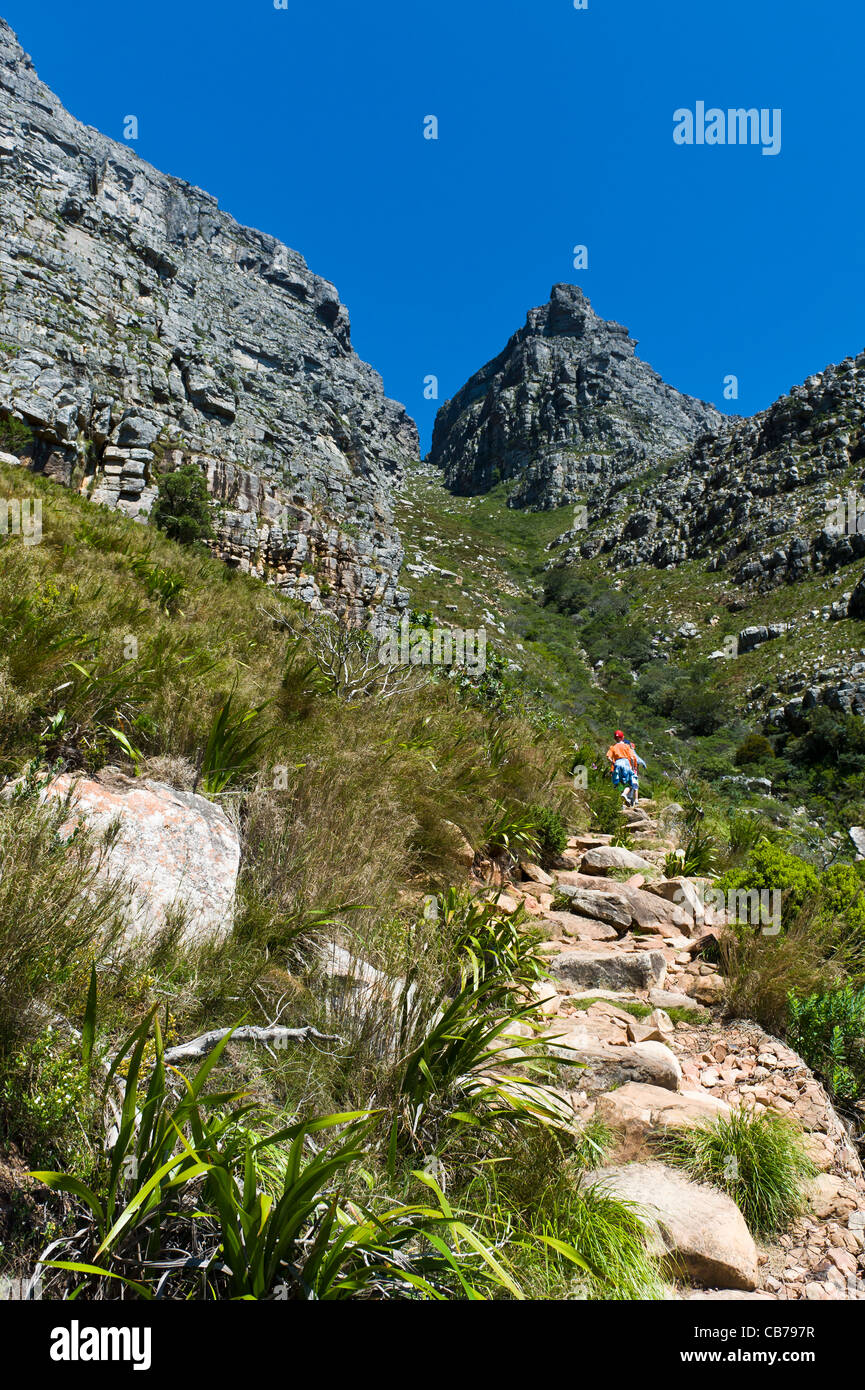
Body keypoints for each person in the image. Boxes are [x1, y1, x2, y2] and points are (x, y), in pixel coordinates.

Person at [606, 730, 636, 803]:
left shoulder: (613, 747)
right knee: (630, 783)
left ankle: (621, 802)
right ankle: (625, 794)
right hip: (625, 763)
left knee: (618, 783)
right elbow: (632, 758)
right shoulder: (627, 746)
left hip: (617, 764)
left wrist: (613, 763)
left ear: (614, 738)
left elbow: (608, 757)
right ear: (623, 737)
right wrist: (632, 767)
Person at [624, 740, 647, 808]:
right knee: (635, 786)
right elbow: (639, 760)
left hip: (625, 773)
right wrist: (644, 765)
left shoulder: (624, 752)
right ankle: (636, 801)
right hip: (633, 773)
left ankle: (627, 801)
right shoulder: (632, 752)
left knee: (627, 787)